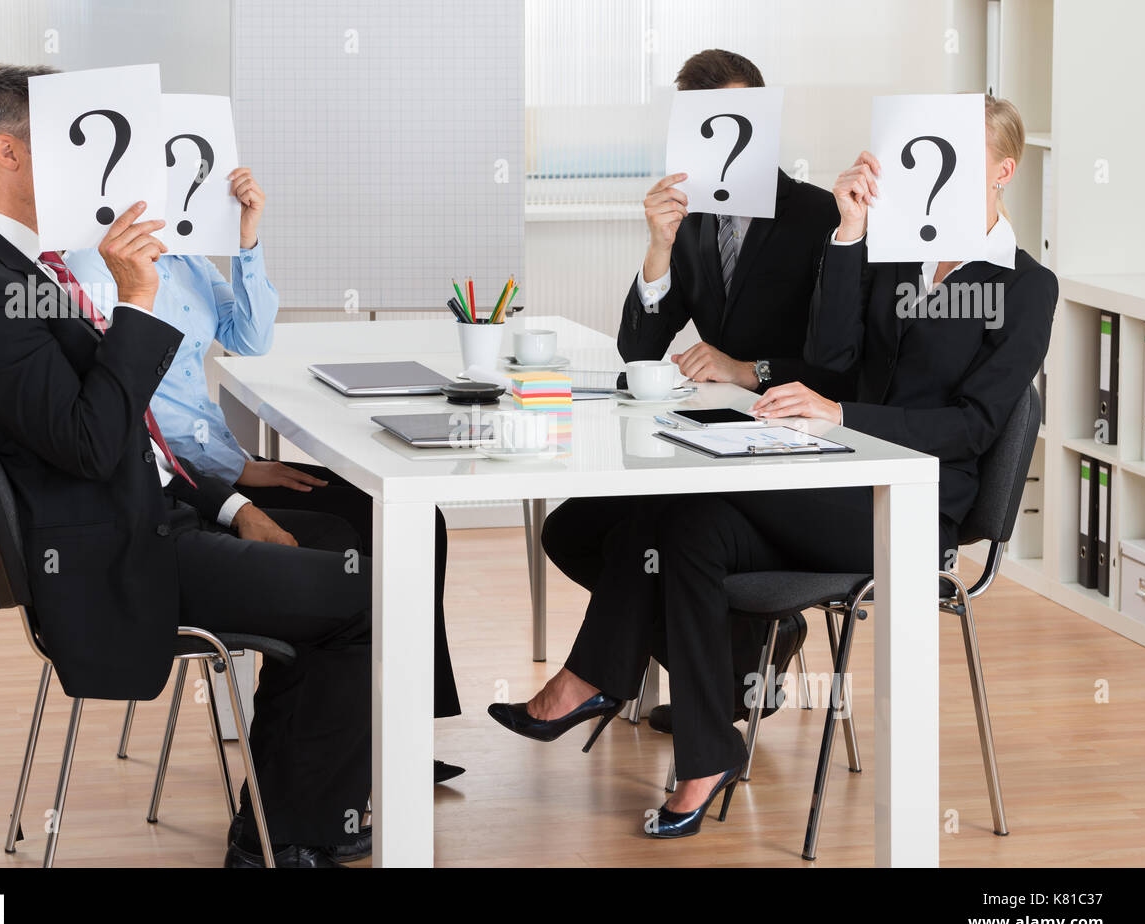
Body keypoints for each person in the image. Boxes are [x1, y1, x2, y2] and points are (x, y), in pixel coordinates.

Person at [491, 93, 1057, 839]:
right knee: (688, 524)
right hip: (832, 474)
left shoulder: (1023, 284)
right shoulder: (893, 252)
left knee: (679, 500)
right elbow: (830, 359)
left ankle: (590, 676)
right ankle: (706, 750)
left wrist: (841, 414)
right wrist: (851, 235)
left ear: (1002, 171)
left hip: (909, 508)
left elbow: (975, 426)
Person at [0, 63, 375, 867]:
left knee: (357, 540)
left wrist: (233, 508)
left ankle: (286, 811)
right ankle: (291, 832)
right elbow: (97, 439)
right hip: (118, 563)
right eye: (66, 140)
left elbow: (123, 438)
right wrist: (135, 298)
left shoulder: (18, 270)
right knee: (366, 595)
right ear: (8, 154)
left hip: (144, 522)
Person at [63, 176, 464, 782]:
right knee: (354, 540)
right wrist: (230, 477)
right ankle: (350, 743)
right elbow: (128, 413)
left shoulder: (189, 257)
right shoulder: (88, 267)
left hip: (225, 465)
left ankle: (401, 727)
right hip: (187, 486)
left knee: (411, 520)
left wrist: (247, 241)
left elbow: (249, 338)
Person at [540, 48, 851, 732]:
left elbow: (838, 366)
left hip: (794, 449)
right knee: (572, 529)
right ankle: (739, 661)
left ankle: (626, 677)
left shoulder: (816, 215)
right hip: (714, 439)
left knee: (656, 525)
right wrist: (656, 248)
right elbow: (639, 349)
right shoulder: (695, 220)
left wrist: (747, 369)